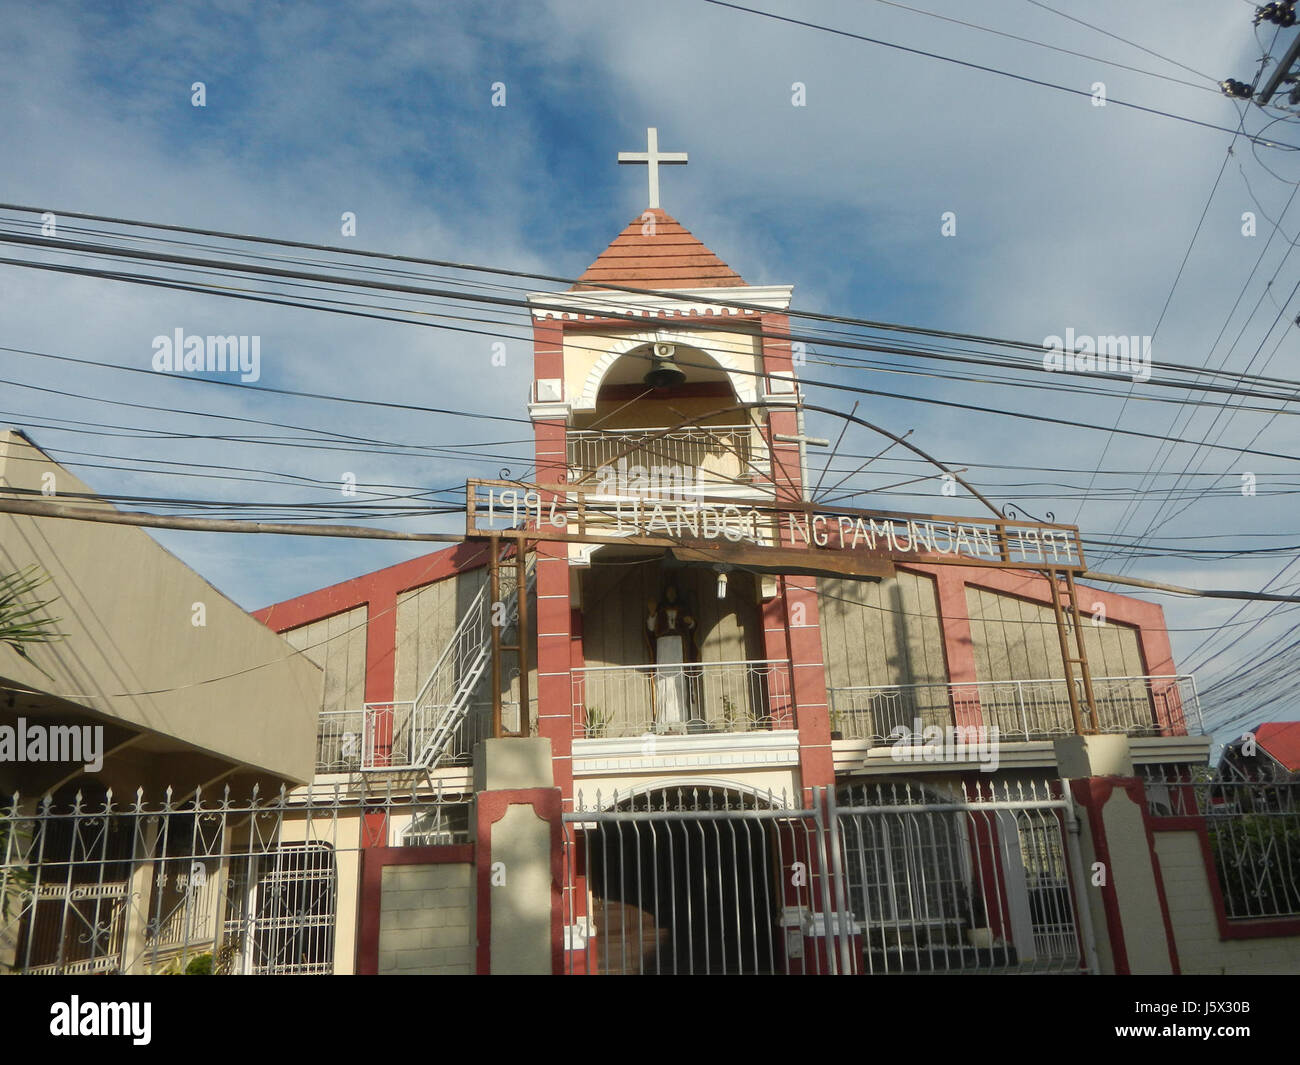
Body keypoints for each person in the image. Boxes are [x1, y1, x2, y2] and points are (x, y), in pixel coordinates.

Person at [645, 585, 696, 731]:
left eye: (673, 591)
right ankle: (664, 719)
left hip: (678, 644)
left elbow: (692, 626)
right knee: (663, 680)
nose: (671, 594)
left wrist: (690, 621)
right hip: (663, 644)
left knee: (678, 678)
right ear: (665, 594)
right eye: (669, 592)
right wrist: (653, 613)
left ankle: (681, 719)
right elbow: (650, 628)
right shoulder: (660, 610)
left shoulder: (683, 608)